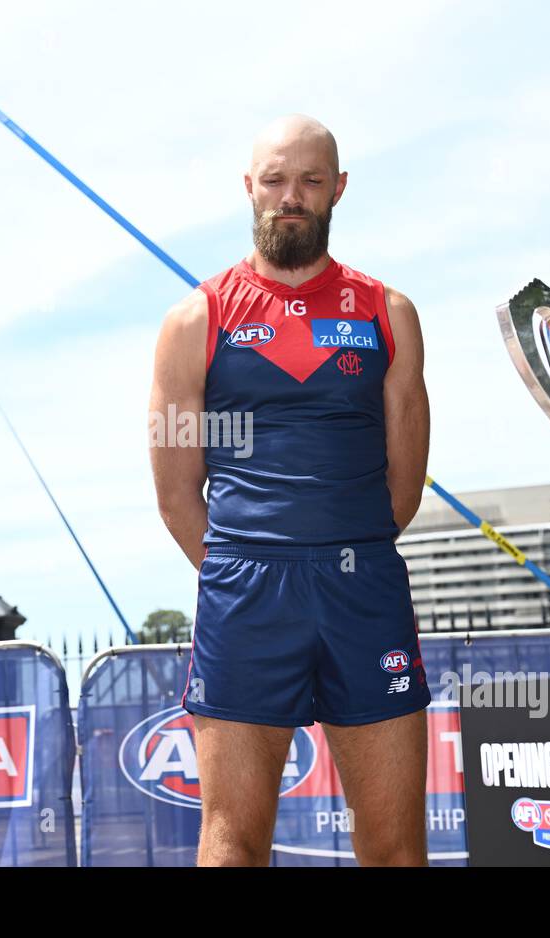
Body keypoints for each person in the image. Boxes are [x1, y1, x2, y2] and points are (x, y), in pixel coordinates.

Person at [149, 114, 432, 866]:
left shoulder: (388, 313)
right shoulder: (194, 319)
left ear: (338, 189)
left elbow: (404, 484)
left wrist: (344, 547)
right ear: (249, 187)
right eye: (275, 181)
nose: (291, 198)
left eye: (310, 181)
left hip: (361, 583)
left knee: (396, 849)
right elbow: (177, 493)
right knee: (232, 842)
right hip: (245, 589)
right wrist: (246, 564)